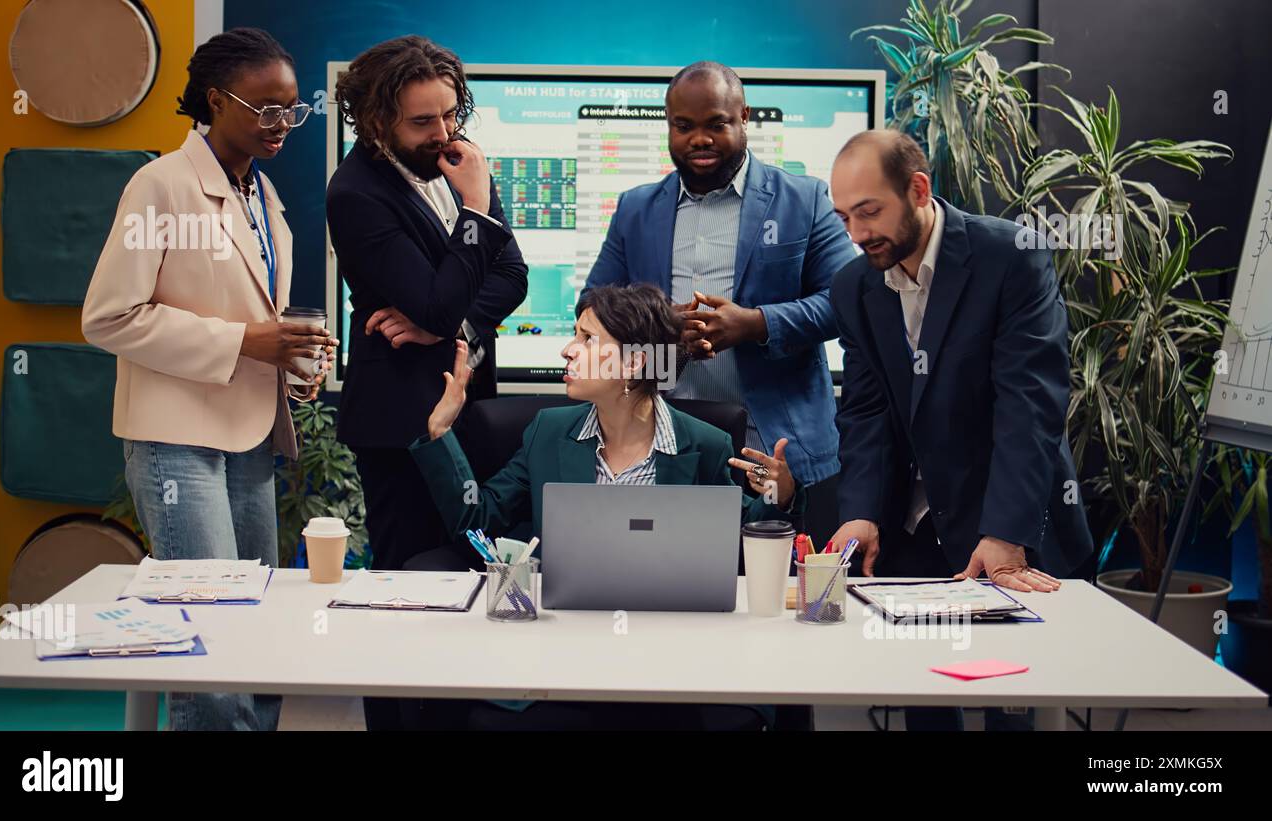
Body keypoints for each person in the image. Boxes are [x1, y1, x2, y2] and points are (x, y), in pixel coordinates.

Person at [405, 283, 802, 730]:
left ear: (634, 362)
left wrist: (778, 494)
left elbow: (743, 540)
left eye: (587, 339)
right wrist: (441, 431)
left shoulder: (704, 443)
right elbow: (477, 518)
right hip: (566, 642)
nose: (566, 351)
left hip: (673, 649)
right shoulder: (547, 432)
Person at [82, 27, 331, 730]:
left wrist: (292, 358)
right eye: (266, 109)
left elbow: (254, 312)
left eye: (292, 110)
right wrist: (247, 340)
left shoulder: (261, 193)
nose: (282, 124)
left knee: (253, 624)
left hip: (248, 433)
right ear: (216, 101)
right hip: (175, 438)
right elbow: (107, 317)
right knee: (210, 631)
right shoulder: (158, 184)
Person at [826, 130, 1093, 730]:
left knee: (1015, 702)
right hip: (915, 530)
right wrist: (862, 510)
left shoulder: (1011, 256)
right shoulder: (854, 285)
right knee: (923, 698)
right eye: (844, 217)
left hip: (1003, 518)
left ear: (918, 190)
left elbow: (1030, 406)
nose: (857, 234)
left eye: (869, 212)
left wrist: (1004, 531)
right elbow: (865, 412)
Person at [325, 35, 528, 733]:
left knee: (470, 576)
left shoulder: (456, 161)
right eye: (423, 122)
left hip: (471, 402)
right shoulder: (354, 192)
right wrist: (475, 211)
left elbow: (513, 277)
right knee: (404, 585)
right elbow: (440, 298)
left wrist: (459, 335)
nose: (444, 134)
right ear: (376, 120)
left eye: (450, 115)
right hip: (400, 421)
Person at [583, 61, 857, 543]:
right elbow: (591, 306)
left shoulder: (806, 199)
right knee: (674, 593)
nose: (699, 139)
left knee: (787, 600)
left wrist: (755, 324)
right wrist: (658, 322)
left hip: (777, 449)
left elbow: (845, 302)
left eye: (716, 124)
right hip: (669, 446)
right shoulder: (635, 208)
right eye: (683, 126)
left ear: (744, 117)